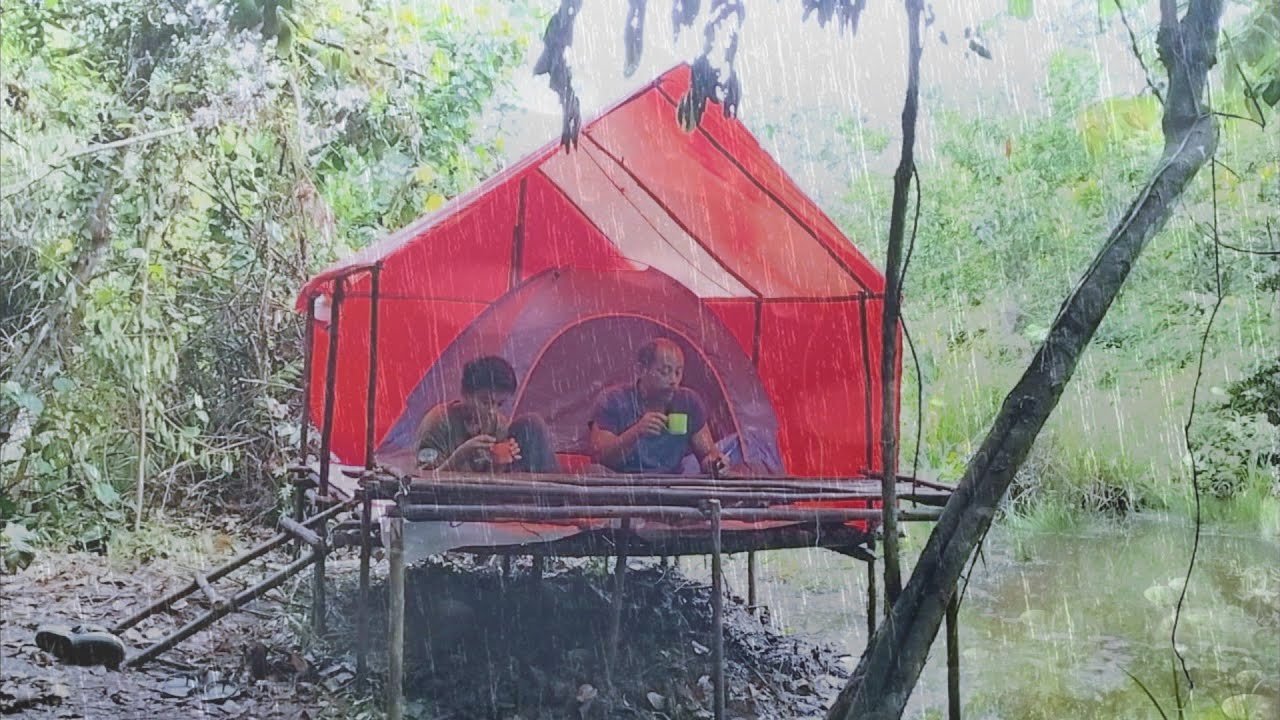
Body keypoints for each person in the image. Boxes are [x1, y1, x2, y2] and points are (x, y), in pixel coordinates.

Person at [589, 338, 730, 475]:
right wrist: (636, 432)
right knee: (594, 471)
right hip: (621, 484)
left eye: (678, 372)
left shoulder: (688, 402)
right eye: (665, 372)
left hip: (671, 486)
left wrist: (716, 463)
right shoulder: (613, 400)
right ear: (641, 370)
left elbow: (707, 453)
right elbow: (600, 455)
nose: (673, 380)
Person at [404, 356, 560, 473]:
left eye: (499, 404)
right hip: (449, 505)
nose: (492, 411)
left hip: (483, 503)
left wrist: (499, 463)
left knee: (532, 424)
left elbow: (495, 483)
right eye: (485, 402)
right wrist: (461, 455)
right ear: (465, 394)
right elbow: (425, 481)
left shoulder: (498, 424)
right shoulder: (438, 422)